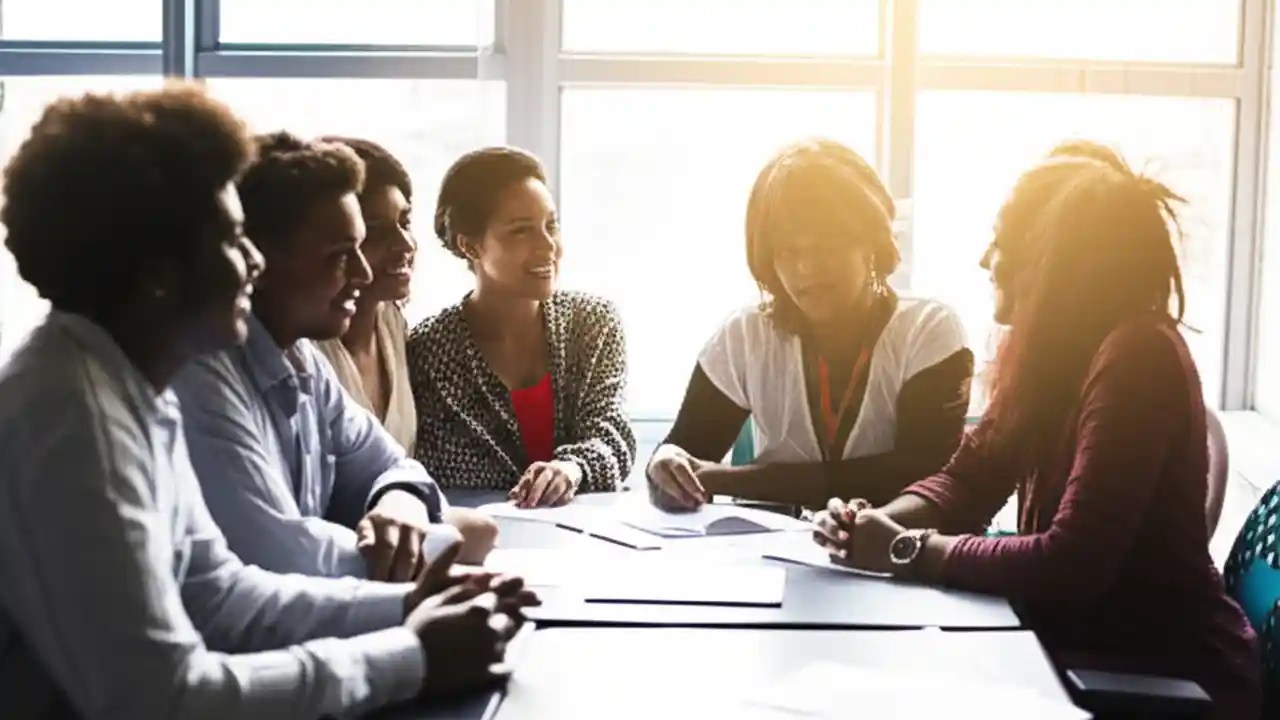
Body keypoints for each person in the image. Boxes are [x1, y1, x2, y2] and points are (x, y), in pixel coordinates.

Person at [0, 85, 534, 719]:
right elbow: (160, 699)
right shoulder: (75, 417)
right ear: (157, 276)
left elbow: (222, 596)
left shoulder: (132, 388)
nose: (253, 261)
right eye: (232, 239)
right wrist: (411, 657)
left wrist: (411, 606)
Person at [813, 152, 1261, 718]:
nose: (983, 260)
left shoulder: (1137, 357)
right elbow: (968, 481)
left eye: (1000, 243)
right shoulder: (1049, 353)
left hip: (1158, 674)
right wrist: (874, 523)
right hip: (1078, 647)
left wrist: (908, 550)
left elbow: (1071, 563)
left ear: (1053, 259)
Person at [173, 132, 491, 582]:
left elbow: (393, 466)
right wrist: (426, 547)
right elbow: (283, 560)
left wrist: (401, 501)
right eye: (340, 256)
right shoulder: (204, 379)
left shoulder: (303, 360)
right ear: (258, 260)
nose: (361, 273)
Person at [646, 138, 973, 512]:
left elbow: (918, 472)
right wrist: (665, 467)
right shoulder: (746, 336)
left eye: (825, 245)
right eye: (788, 252)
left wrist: (722, 478)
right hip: (770, 557)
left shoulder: (928, 329)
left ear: (870, 240)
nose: (806, 268)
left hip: (888, 560)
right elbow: (682, 459)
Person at [407, 147, 635, 507]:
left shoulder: (592, 322)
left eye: (551, 226)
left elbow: (612, 436)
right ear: (469, 245)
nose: (548, 247)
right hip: (482, 541)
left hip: (593, 537)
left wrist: (571, 469)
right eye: (521, 232)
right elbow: (444, 475)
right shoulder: (429, 349)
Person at [312, 136, 499, 562]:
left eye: (405, 222)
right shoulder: (307, 351)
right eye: (375, 231)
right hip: (345, 556)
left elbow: (396, 468)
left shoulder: (391, 322)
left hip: (400, 539)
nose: (404, 245)